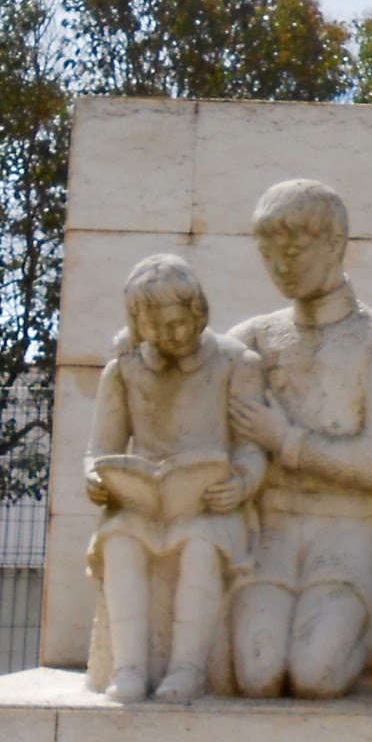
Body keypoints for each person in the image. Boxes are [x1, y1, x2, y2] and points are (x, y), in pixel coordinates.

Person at [227, 179, 372, 698]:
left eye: (292, 252)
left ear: (335, 244)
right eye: (268, 255)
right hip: (269, 535)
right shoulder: (250, 341)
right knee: (258, 675)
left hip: (345, 535)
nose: (280, 268)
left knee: (315, 676)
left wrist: (286, 440)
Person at [85, 254, 266, 703]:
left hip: (209, 506)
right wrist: (96, 479)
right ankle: (129, 668)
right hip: (142, 505)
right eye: (157, 328)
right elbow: (99, 448)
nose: (173, 336)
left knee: (201, 546)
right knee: (120, 542)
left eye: (179, 323)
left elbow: (251, 447)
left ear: (198, 310)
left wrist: (241, 484)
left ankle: (187, 669)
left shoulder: (236, 363)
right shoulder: (123, 370)